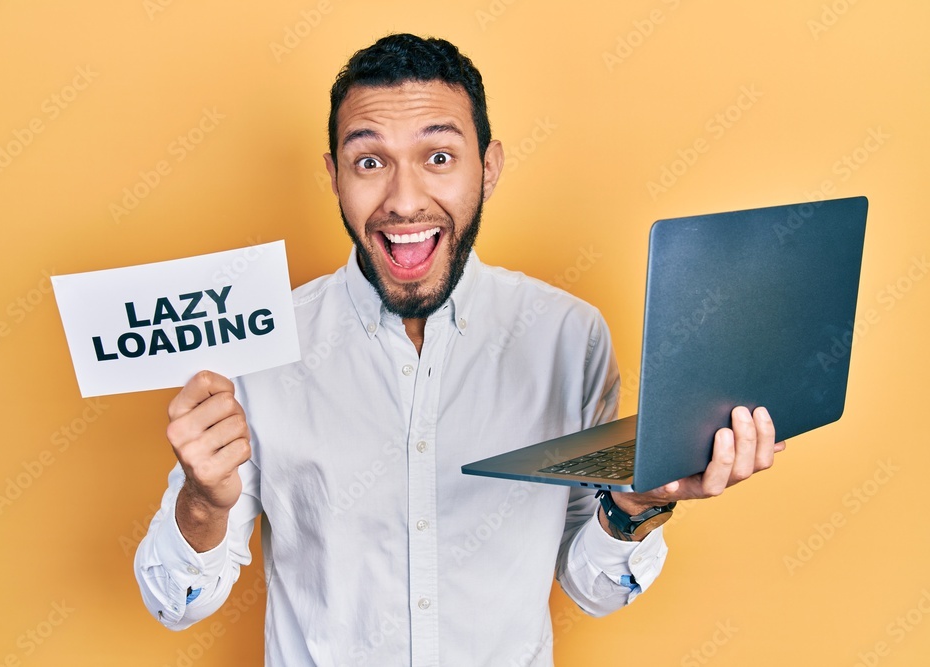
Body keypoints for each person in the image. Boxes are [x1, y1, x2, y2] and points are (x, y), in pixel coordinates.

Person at [134, 33, 783, 666]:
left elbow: (593, 587)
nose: (405, 200)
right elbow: (173, 601)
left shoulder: (569, 336)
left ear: (489, 167)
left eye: (438, 157)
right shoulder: (259, 348)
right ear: (334, 176)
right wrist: (202, 500)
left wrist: (638, 503)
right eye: (369, 161)